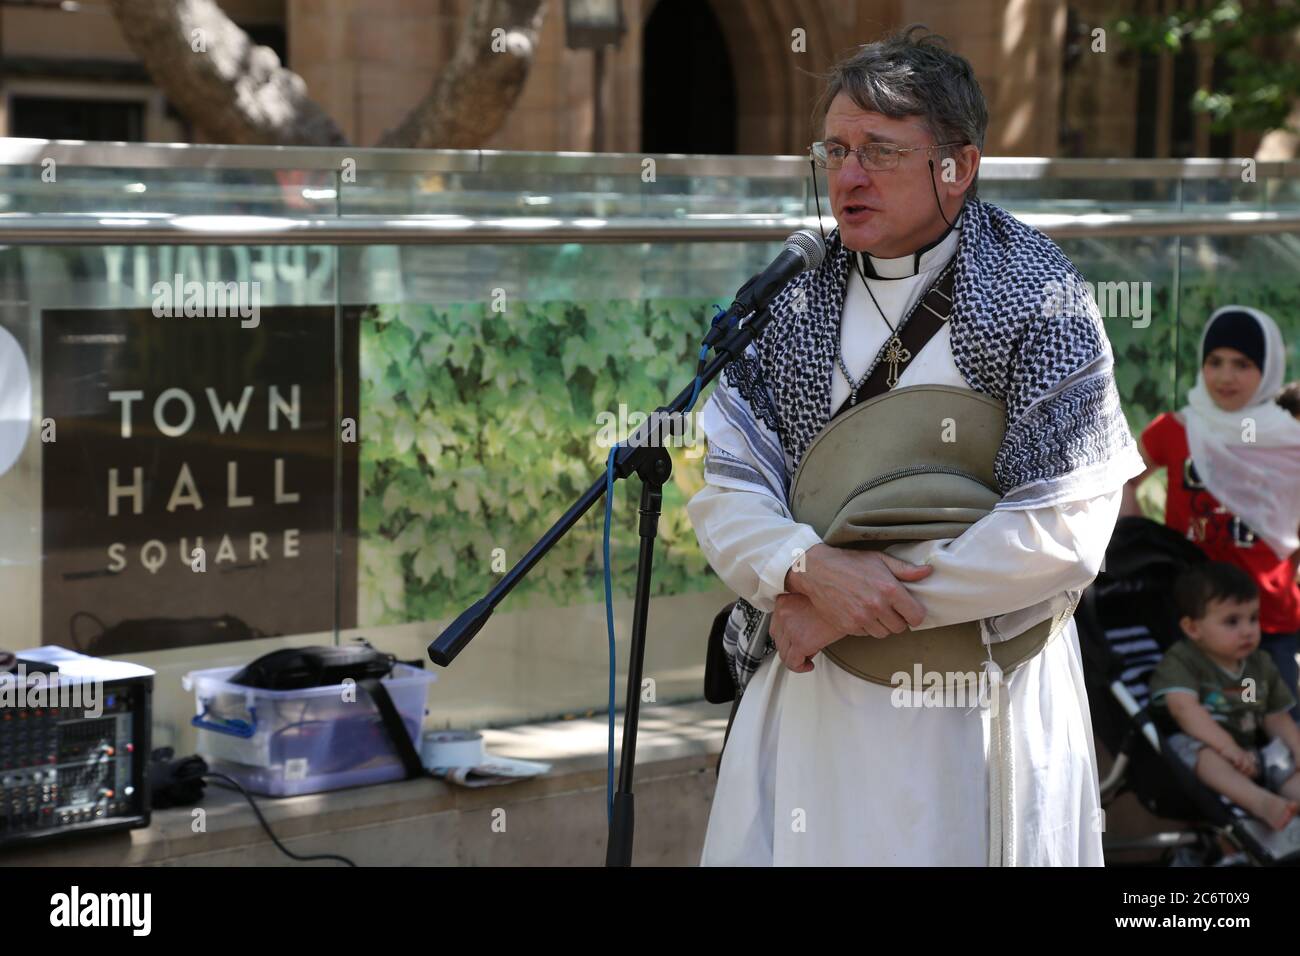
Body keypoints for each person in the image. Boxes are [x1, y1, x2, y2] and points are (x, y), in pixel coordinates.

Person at [687, 26, 1144, 866]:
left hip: (980, 696)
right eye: (835, 149)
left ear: (957, 168)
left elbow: (1067, 530)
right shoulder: (789, 300)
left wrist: (845, 607)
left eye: (879, 152)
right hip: (818, 696)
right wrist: (801, 566)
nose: (848, 176)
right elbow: (725, 491)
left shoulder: (1040, 299)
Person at [1121, 308, 1300, 721]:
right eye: (1214, 361)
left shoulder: (1288, 440)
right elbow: (1124, 478)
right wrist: (1134, 536)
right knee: (1205, 733)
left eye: (1242, 364)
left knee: (1282, 734)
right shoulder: (1177, 428)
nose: (1225, 376)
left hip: (1268, 618)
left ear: (1268, 369)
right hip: (1193, 617)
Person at [1148, 562, 1300, 830]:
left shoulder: (1255, 664)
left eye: (1253, 618)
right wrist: (1227, 748)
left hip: (1251, 752)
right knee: (1199, 755)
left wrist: (1297, 750)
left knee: (1285, 757)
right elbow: (1184, 710)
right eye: (1232, 621)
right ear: (1193, 629)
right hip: (1204, 749)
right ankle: (1262, 803)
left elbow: (1272, 715)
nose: (1248, 630)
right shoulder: (1183, 662)